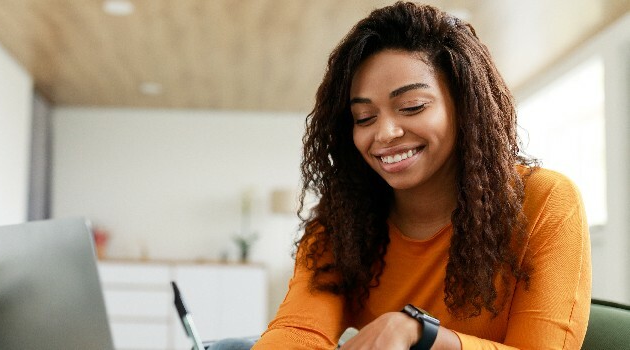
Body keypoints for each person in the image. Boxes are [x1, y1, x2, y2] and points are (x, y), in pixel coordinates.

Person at [212, 2, 592, 349]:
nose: (384, 134)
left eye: (411, 107)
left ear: (464, 106)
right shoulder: (342, 220)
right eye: (364, 117)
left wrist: (421, 334)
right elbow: (299, 330)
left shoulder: (545, 201)